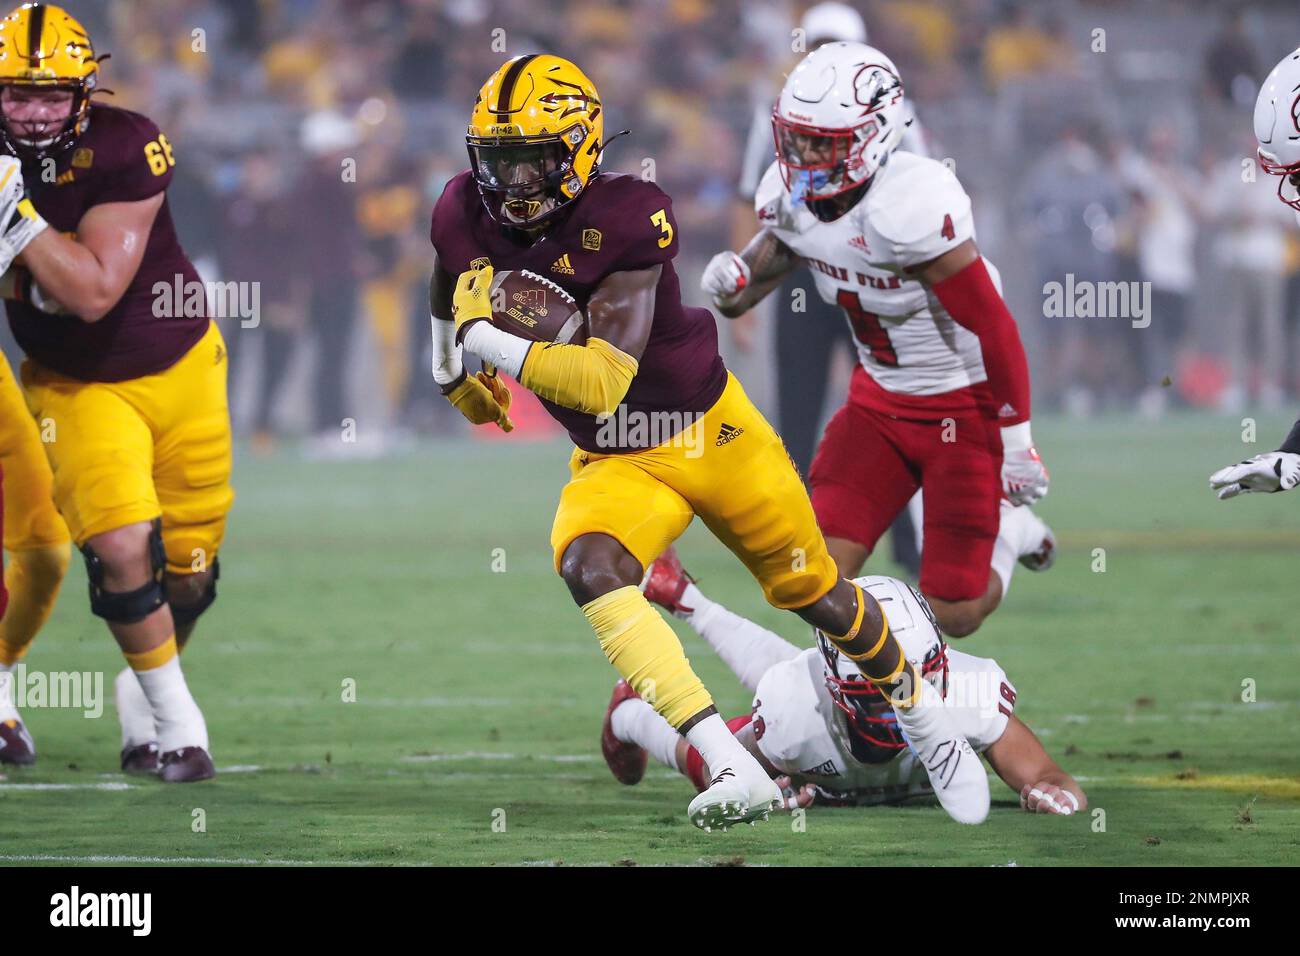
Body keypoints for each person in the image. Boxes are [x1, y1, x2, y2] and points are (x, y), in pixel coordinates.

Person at [430, 54, 990, 829]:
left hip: (708, 431)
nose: (512, 185)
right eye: (499, 164)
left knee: (818, 594)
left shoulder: (627, 216)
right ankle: (731, 768)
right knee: (589, 566)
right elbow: (447, 279)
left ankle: (927, 723)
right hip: (616, 457)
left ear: (579, 149)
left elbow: (599, 383)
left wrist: (482, 339)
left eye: (532, 163)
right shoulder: (462, 208)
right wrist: (447, 367)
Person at [703, 43, 1053, 639]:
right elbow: (751, 284)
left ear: (876, 134)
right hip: (878, 404)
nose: (805, 155)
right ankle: (872, 707)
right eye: (798, 139)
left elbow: (993, 326)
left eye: (823, 142)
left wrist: (1017, 441)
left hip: (958, 407)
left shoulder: (911, 205)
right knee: (810, 577)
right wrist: (730, 284)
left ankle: (1012, 529)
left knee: (957, 612)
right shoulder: (793, 201)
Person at [0, 3, 227, 781]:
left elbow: (96, 291)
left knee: (191, 568)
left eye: (49, 96)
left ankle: (140, 690)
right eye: (15, 95)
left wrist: (15, 223)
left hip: (183, 363)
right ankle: (177, 721)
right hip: (75, 383)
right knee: (121, 543)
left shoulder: (126, 145)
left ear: (84, 95)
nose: (32, 114)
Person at [604, 551, 1086, 818]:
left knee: (799, 670)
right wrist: (760, 793)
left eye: (910, 687)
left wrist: (1057, 797)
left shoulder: (968, 693)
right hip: (809, 696)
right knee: (720, 767)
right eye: (882, 696)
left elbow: (1053, 778)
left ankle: (685, 597)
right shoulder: (796, 713)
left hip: (818, 679)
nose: (904, 708)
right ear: (838, 692)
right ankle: (629, 714)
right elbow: (724, 772)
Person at [1209, 47, 1300, 498]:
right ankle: (1241, 385)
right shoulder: (1234, 173)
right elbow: (1214, 212)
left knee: (1266, 330)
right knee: (1240, 329)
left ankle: (1265, 385)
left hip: (1265, 258)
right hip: (1240, 258)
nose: (1293, 187)